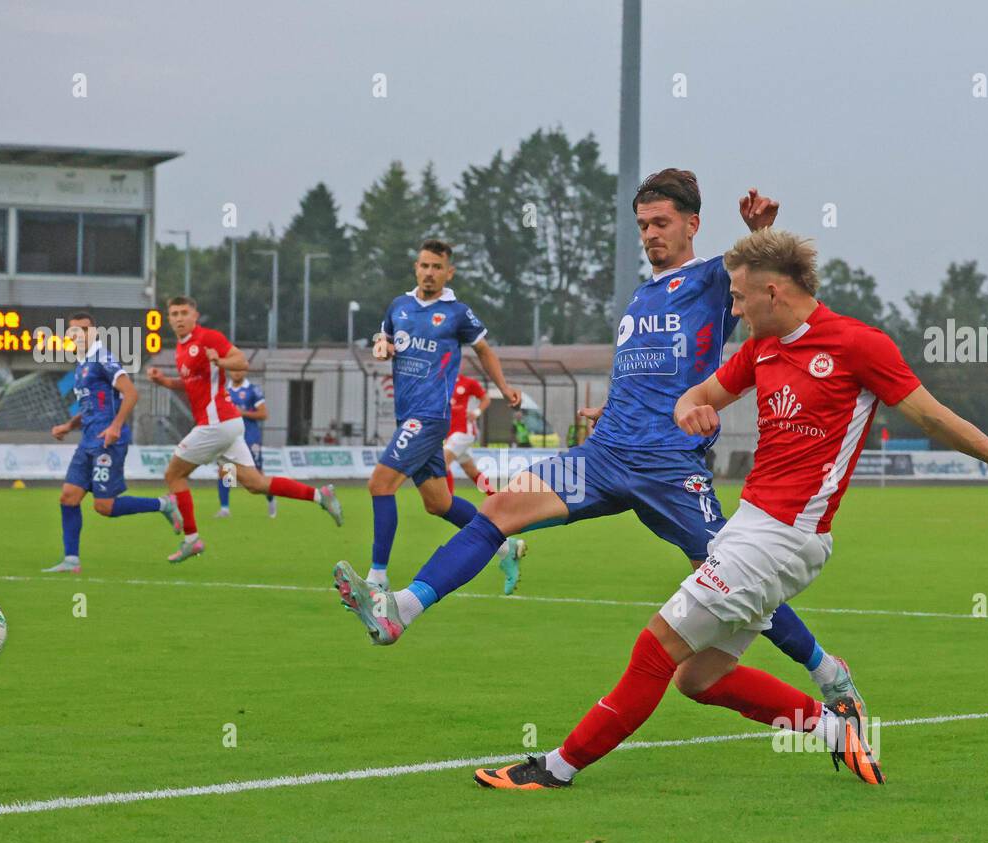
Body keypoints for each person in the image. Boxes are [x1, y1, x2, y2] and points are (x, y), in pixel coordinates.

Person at [474, 228, 988, 790]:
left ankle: (556, 768)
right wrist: (689, 410)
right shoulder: (762, 349)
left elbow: (936, 418)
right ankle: (834, 727)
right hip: (746, 531)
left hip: (784, 538)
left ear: (772, 291)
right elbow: (699, 393)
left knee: (654, 650)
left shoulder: (858, 345)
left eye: (738, 295)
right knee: (698, 679)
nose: (734, 307)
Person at [334, 173, 849, 721]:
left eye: (662, 223)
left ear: (692, 224)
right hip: (602, 457)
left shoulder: (713, 280)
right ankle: (399, 612)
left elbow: (770, 292)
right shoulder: (642, 295)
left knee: (735, 577)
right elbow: (653, 370)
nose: (650, 234)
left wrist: (759, 234)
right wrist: (615, 407)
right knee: (498, 510)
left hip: (667, 467)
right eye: (643, 225)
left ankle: (827, 672)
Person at [334, 238, 526, 597]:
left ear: (448, 272)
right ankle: (505, 546)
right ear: (416, 268)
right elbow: (383, 341)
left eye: (437, 267)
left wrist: (503, 386)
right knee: (438, 503)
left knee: (379, 484)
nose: (429, 272)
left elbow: (483, 349)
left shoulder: (457, 313)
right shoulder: (400, 306)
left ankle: (377, 577)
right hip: (407, 416)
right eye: (424, 265)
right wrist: (381, 346)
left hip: (428, 417)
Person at [147, 296, 342, 564]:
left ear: (195, 315)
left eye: (184, 313)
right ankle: (321, 496)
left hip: (216, 423)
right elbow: (192, 384)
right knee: (255, 484)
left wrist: (221, 361)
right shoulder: (183, 349)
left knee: (173, 474)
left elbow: (242, 362)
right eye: (174, 314)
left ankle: (192, 540)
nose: (179, 318)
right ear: (168, 319)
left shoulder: (208, 338)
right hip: (226, 425)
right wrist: (165, 382)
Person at [42, 311, 181, 573]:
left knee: (104, 507)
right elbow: (92, 408)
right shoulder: (82, 364)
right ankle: (71, 561)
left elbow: (131, 393)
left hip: (108, 441)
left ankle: (164, 504)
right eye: (73, 331)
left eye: (83, 330)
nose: (78, 335)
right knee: (68, 497)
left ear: (93, 332)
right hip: (87, 440)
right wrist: (69, 426)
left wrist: (115, 426)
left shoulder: (102, 358)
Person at [216, 373, 275, 519]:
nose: (237, 373)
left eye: (239, 369)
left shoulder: (253, 390)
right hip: (231, 437)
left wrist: (243, 413)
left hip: (250, 437)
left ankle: (271, 498)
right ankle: (225, 508)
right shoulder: (224, 391)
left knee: (257, 477)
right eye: (234, 370)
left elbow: (264, 414)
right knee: (225, 471)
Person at [444, 369, 494, 495]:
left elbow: (485, 399)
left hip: (463, 432)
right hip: (450, 434)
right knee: (470, 470)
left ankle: (449, 503)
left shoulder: (468, 383)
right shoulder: (441, 383)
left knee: (442, 463)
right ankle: (495, 496)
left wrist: (476, 413)